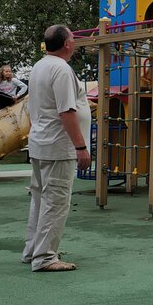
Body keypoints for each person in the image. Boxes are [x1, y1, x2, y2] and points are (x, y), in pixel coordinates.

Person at [22, 25, 92, 272]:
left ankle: (33, 250)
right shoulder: (61, 69)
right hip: (58, 145)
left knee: (40, 199)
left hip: (41, 141)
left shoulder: (39, 66)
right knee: (56, 201)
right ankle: (45, 257)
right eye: (72, 37)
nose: (75, 40)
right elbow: (66, 111)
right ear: (66, 44)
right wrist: (80, 146)